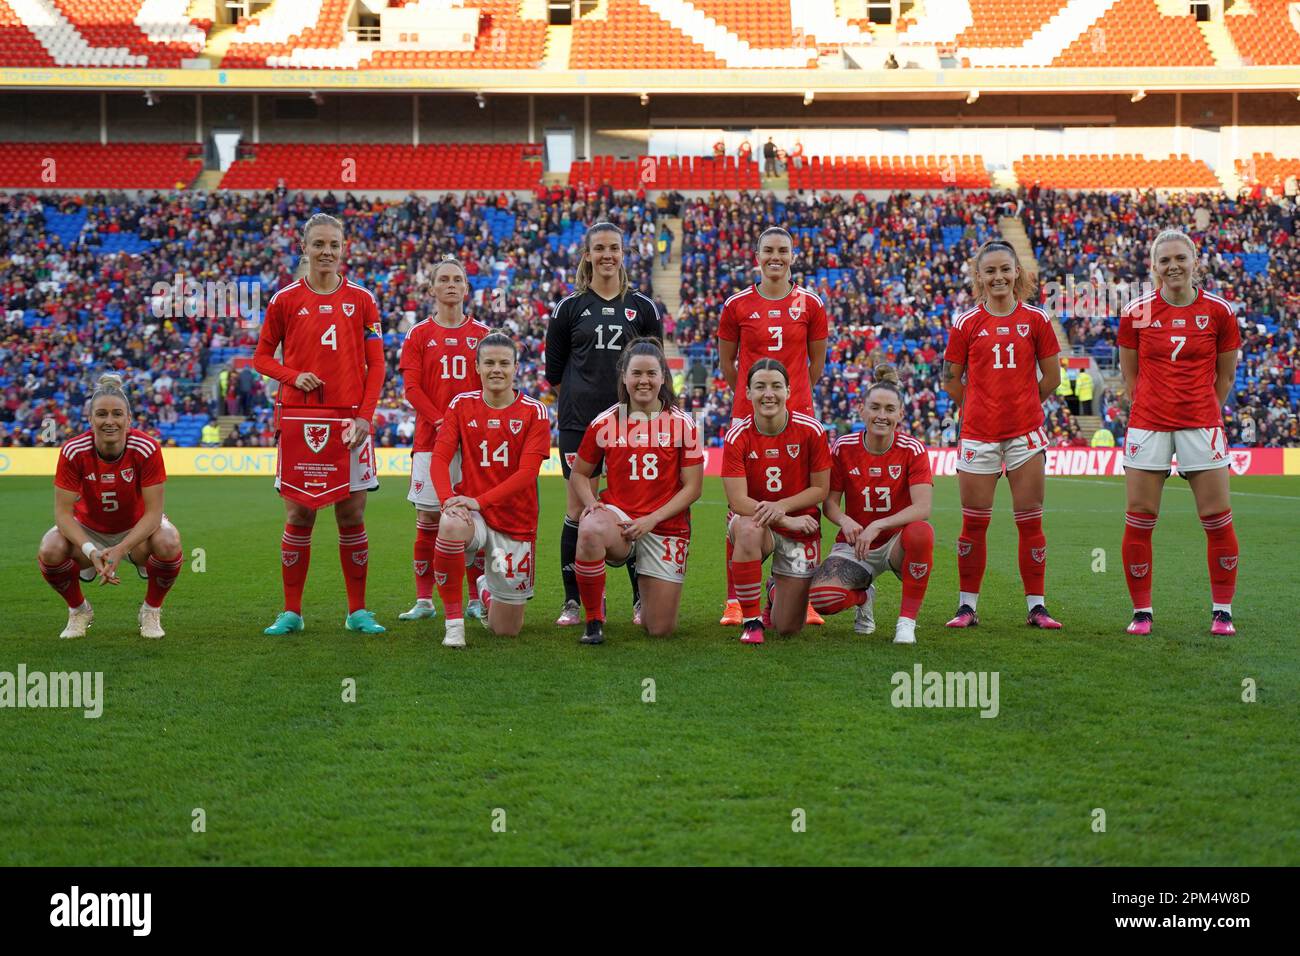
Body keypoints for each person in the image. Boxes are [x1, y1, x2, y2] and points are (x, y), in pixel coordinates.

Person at [253, 212, 387, 636]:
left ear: (343, 249)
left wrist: (366, 416)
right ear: (304, 248)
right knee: (299, 514)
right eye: (319, 244)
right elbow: (261, 357)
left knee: (351, 514)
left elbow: (377, 363)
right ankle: (292, 611)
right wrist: (293, 376)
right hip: (299, 418)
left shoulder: (362, 300)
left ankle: (357, 611)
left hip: (349, 421)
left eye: (334, 245)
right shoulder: (285, 300)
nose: (326, 251)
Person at [1117, 229, 1241, 636]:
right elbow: (1130, 376)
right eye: (1165, 260)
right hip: (1148, 425)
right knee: (1140, 518)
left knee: (1216, 518)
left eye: (1180, 259)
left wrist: (1200, 411)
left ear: (1195, 262)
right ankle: (1142, 612)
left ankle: (1222, 611)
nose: (1173, 266)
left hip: (1201, 424)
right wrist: (1154, 407)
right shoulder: (1136, 312)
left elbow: (1224, 377)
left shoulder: (1220, 312)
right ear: (1154, 267)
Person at [545, 222, 663, 628]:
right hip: (580, 422)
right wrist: (588, 404)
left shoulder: (643, 307)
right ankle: (574, 600)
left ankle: (637, 597)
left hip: (633, 423)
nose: (607, 255)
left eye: (614, 247)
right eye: (599, 248)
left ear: (624, 253)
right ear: (588, 255)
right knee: (579, 507)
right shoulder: (569, 307)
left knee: (633, 504)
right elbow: (555, 372)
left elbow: (653, 366)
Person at [941, 238, 1063, 630]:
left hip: (1025, 436)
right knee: (974, 524)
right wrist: (979, 405)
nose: (998, 276)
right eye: (989, 270)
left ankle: (1037, 607)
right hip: (978, 436)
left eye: (1004, 270)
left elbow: (1054, 377)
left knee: (1030, 522)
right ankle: (966, 607)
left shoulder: (1037, 320)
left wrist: (1023, 404)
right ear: (980, 277)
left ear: (1017, 274)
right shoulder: (966, 323)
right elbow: (949, 380)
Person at [718, 226, 828, 628]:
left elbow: (816, 364)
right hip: (748, 416)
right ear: (757, 255)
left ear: (793, 256)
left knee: (806, 500)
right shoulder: (737, 305)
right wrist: (753, 400)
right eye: (768, 250)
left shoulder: (811, 303)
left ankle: (802, 590)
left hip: (797, 414)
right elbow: (727, 362)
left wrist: (790, 399)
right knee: (738, 507)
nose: (775, 257)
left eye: (783, 250)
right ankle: (734, 599)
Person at [569, 339, 703, 645]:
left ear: (662, 377)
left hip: (664, 526)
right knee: (589, 529)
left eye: (651, 374)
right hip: (618, 519)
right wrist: (591, 504)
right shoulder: (604, 422)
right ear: (624, 377)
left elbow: (694, 487)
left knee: (660, 629)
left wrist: (652, 520)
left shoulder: (684, 424)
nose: (644, 380)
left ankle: (646, 590)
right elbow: (579, 473)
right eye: (637, 373)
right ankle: (593, 620)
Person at [428, 334, 551, 648]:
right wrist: (447, 501)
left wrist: (478, 500)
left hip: (515, 520)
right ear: (477, 367)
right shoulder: (461, 405)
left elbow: (527, 475)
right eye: (490, 363)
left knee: (506, 630)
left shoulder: (535, 412)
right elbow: (440, 458)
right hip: (473, 516)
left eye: (504, 363)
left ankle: (484, 588)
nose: (497, 369)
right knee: (450, 524)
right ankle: (454, 624)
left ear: (515, 368)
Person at [39, 373, 182, 639]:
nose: (109, 421)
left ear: (129, 420)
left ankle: (151, 610)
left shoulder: (147, 448)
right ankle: (79, 610)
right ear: (90, 419)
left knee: (169, 541)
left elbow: (153, 514)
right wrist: (92, 550)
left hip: (136, 532)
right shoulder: (73, 451)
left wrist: (122, 548)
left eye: (117, 414)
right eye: (101, 414)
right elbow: (63, 514)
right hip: (89, 530)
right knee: (50, 549)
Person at [396, 257, 493, 625]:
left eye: (458, 280)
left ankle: (474, 598)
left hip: (473, 443)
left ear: (466, 289)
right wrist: (441, 420)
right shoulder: (418, 334)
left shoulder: (483, 335)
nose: (451, 285)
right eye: (444, 280)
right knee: (428, 517)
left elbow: (493, 386)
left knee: (472, 515)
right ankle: (424, 600)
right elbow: (411, 388)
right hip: (430, 441)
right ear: (432, 289)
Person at [811, 365, 934, 645]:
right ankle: (865, 595)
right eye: (875, 407)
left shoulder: (912, 449)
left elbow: (922, 507)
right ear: (861, 410)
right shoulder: (843, 447)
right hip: (856, 543)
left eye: (890, 409)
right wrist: (845, 520)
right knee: (822, 599)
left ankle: (906, 624)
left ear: (901, 414)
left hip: (895, 543)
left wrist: (878, 525)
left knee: (921, 532)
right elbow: (829, 503)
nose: (882, 415)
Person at [722, 359, 831, 645]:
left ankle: (774, 592)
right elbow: (737, 501)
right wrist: (783, 517)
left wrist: (781, 505)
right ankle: (751, 620)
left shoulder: (812, 431)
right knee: (747, 530)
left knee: (788, 627)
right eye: (760, 387)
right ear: (747, 393)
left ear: (789, 391)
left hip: (800, 528)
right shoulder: (737, 435)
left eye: (775, 386)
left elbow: (821, 489)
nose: (768, 394)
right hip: (759, 523)